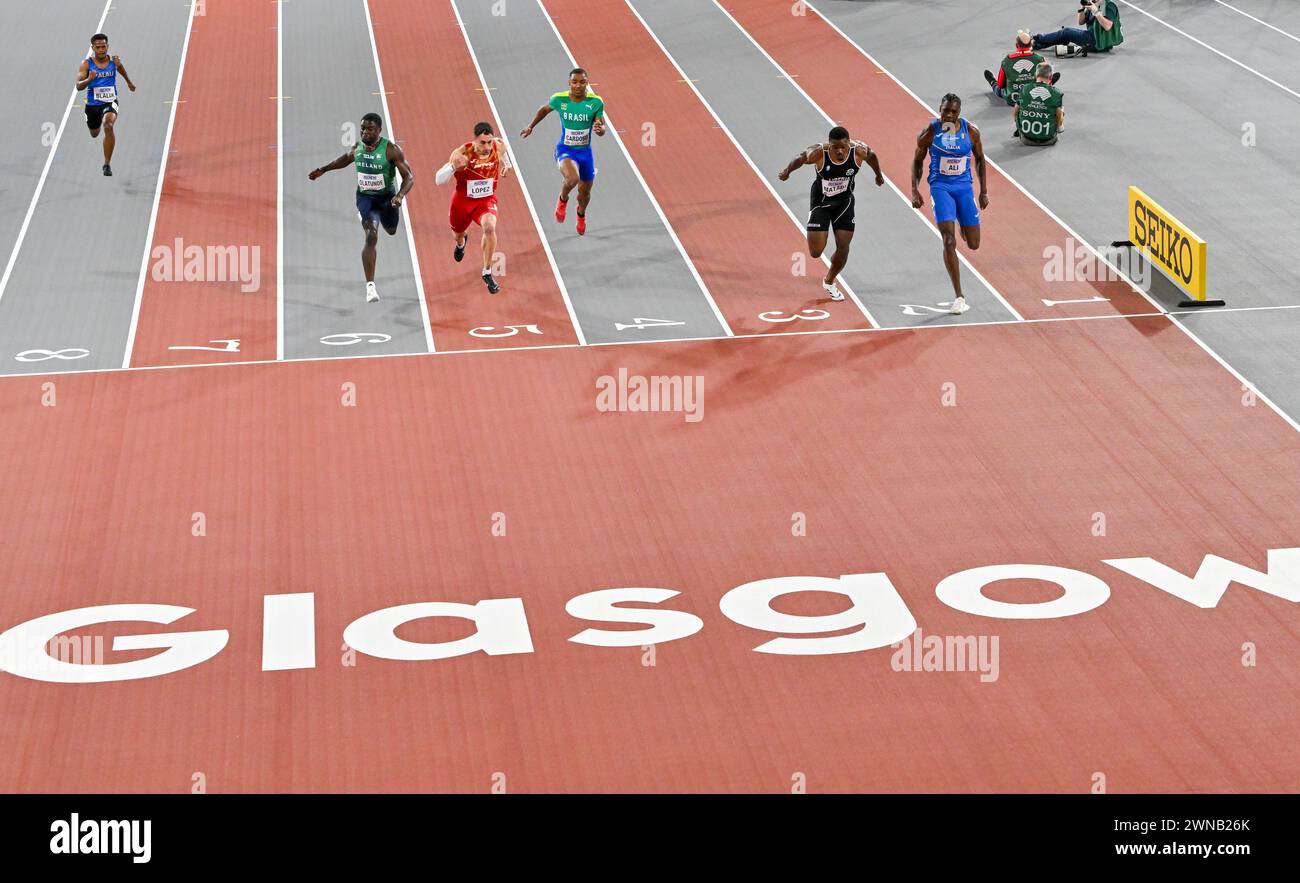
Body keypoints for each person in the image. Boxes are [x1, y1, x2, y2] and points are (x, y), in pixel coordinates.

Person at [308, 113, 415, 304]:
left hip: (387, 199)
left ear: (379, 130)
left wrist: (399, 196)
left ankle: (378, 218)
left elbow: (409, 176)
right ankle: (370, 287)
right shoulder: (358, 147)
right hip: (365, 198)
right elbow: (344, 159)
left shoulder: (391, 150)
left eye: (370, 129)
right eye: (363, 128)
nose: (365, 132)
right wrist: (323, 170)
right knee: (371, 235)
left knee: (391, 230)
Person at [777, 127, 884, 302]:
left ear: (849, 143)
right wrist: (787, 172)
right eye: (835, 147)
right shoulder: (819, 153)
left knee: (843, 247)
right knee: (815, 252)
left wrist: (878, 175)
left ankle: (829, 281)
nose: (840, 151)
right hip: (821, 203)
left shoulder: (859, 151)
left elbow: (872, 156)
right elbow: (801, 158)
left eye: (843, 147)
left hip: (844, 203)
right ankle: (819, 228)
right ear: (829, 145)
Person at [910, 94, 988, 316]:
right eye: (945, 111)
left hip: (964, 187)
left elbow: (981, 159)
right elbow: (917, 161)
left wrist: (983, 191)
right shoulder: (930, 133)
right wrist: (914, 190)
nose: (949, 115)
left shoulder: (971, 131)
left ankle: (963, 220)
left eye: (953, 112)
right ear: (940, 109)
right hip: (940, 187)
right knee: (948, 240)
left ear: (959, 112)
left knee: (973, 244)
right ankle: (959, 296)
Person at [520, 68, 605, 236]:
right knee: (573, 179)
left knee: (585, 193)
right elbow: (544, 110)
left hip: (585, 154)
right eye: (574, 82)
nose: (578, 86)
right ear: (569, 83)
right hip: (565, 150)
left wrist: (600, 129)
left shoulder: (596, 102)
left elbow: (601, 127)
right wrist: (531, 126)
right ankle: (562, 199)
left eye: (582, 82)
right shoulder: (560, 99)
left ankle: (580, 215)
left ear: (587, 83)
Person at [436, 122, 512, 294]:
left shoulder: (497, 146)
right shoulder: (462, 153)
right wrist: (453, 167)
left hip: (485, 200)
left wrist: (507, 165)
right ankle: (461, 244)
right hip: (462, 203)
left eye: (489, 142)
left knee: (490, 227)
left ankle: (487, 271)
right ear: (475, 141)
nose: (486, 147)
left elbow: (504, 149)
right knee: (458, 235)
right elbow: (438, 180)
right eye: (482, 143)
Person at [76, 33, 136, 177]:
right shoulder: (86, 64)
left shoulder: (114, 61)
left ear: (107, 46)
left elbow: (121, 69)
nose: (102, 50)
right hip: (92, 105)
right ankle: (89, 118)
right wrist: (89, 79)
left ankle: (107, 164)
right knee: (94, 134)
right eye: (98, 47)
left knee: (108, 126)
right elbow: (78, 86)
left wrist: (129, 82)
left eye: (104, 46)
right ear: (93, 48)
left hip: (110, 102)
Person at [1032, 0, 1123, 57]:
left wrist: (1096, 12)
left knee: (1066, 32)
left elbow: (1108, 27)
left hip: (1097, 41)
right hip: (1092, 37)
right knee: (1064, 36)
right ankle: (1036, 44)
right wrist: (1082, 8)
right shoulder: (1093, 4)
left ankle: (1037, 38)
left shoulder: (1109, 6)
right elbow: (1081, 22)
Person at [983, 31, 1049, 105]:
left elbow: (1001, 84)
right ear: (1031, 44)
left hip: (1012, 98)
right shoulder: (1040, 59)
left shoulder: (1007, 60)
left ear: (1017, 45)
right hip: (1035, 98)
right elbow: (1045, 81)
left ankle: (992, 81)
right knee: (1045, 81)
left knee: (998, 89)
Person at [1014, 63, 1065, 146]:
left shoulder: (1024, 88)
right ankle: (1060, 128)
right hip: (1049, 140)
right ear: (1051, 77)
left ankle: (1019, 129)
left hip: (1025, 139)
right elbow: (1058, 114)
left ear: (1035, 75)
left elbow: (1016, 111)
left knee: (1018, 106)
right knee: (1060, 109)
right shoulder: (1057, 92)